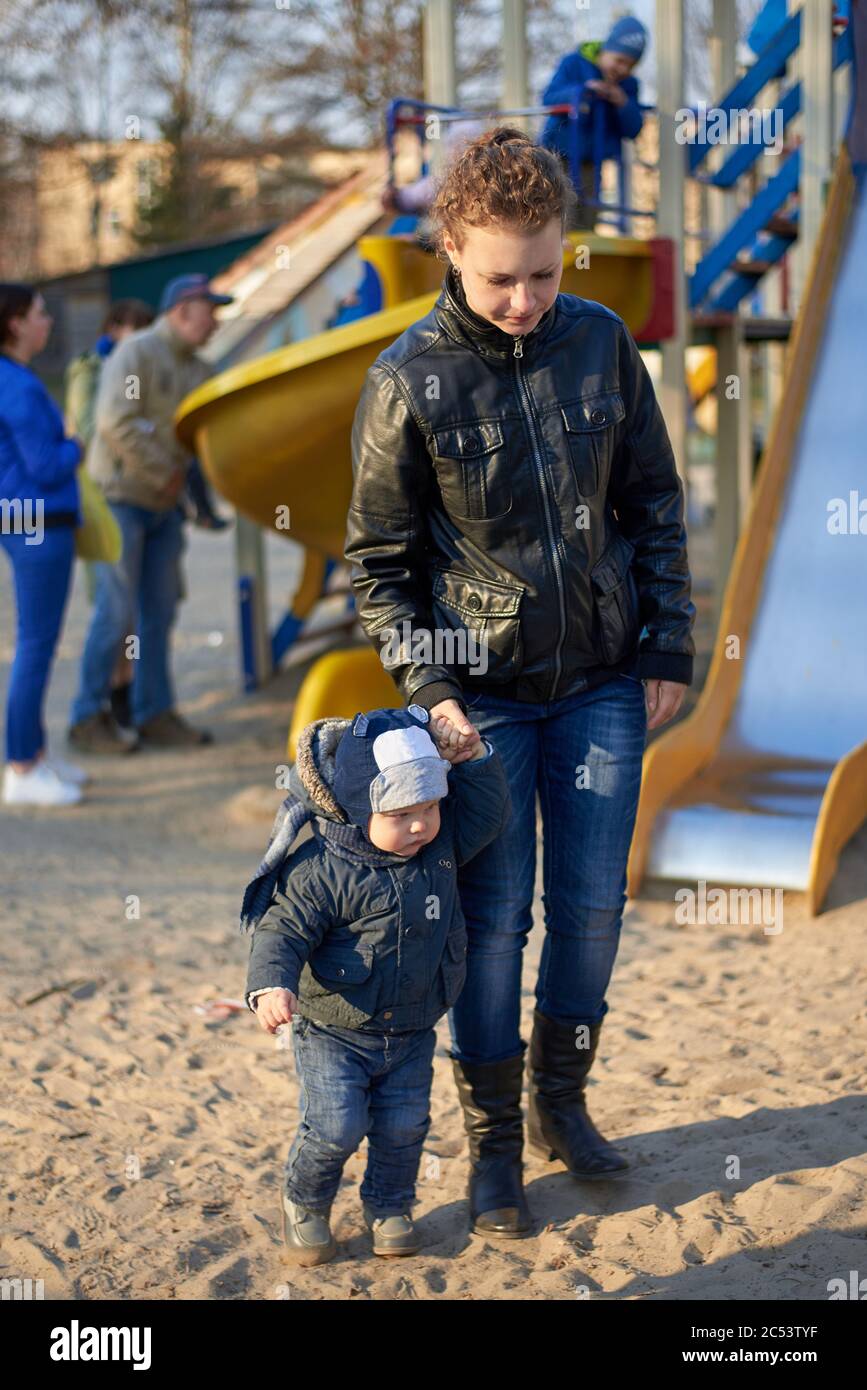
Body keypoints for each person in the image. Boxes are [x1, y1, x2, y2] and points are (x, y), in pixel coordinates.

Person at [345, 128, 695, 1238]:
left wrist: (669, 645)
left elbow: (654, 504)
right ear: (449, 247)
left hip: (599, 680)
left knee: (590, 913)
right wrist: (431, 690)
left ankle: (563, 1103)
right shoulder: (406, 379)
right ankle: (494, 1143)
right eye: (500, 277)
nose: (526, 298)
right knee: (495, 924)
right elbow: (378, 566)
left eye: (546, 272)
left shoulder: (601, 342)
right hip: (477, 701)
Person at [242, 704, 510, 1262]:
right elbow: (283, 929)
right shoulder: (321, 868)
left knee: (404, 1127)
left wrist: (476, 757)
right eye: (402, 813)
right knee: (336, 1127)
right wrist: (271, 985)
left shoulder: (437, 852)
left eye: (431, 806)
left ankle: (389, 1205)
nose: (420, 824)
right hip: (335, 1030)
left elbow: (486, 814)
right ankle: (306, 1203)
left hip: (413, 1027)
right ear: (360, 809)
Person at [68, 273, 233, 753]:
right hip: (120, 500)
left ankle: (153, 713)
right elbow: (115, 422)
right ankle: (87, 717)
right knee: (116, 610)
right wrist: (167, 472)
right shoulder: (136, 352)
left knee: (159, 611)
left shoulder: (199, 369)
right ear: (182, 310)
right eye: (210, 309)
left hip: (164, 507)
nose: (216, 320)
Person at [0, 284, 86, 807]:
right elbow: (45, 464)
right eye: (38, 314)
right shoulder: (19, 386)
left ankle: (34, 754)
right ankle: (21, 766)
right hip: (39, 520)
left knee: (37, 642)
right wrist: (76, 443)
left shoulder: (15, 379)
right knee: (35, 644)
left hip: (26, 518)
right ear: (13, 323)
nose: (46, 322)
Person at [65, 298, 155, 736]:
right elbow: (86, 432)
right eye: (132, 329)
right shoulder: (92, 370)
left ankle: (125, 694)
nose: (138, 339)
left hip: (133, 496)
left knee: (131, 612)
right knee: (112, 607)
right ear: (113, 327)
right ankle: (96, 705)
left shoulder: (136, 366)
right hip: (101, 498)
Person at [539, 14, 647, 230]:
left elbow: (633, 128)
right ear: (605, 49)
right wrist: (582, 91)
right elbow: (549, 98)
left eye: (631, 65)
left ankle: (583, 258)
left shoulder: (628, 85)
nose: (623, 70)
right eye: (619, 60)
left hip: (592, 161)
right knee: (556, 209)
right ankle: (555, 253)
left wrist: (622, 103)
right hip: (558, 153)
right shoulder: (574, 64)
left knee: (587, 215)